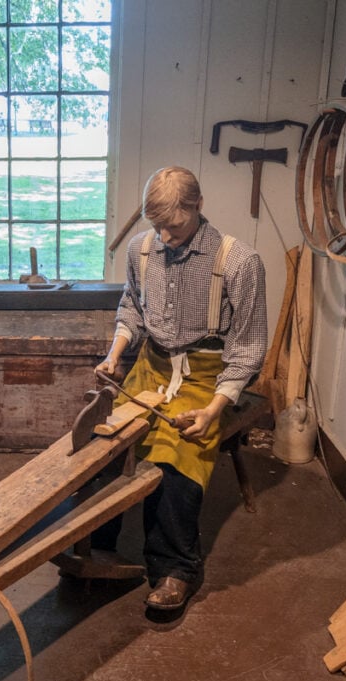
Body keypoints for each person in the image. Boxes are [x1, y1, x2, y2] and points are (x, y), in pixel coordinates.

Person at [94, 166, 268, 612]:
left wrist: (213, 410)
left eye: (175, 226)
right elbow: (131, 307)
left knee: (176, 456)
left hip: (209, 375)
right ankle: (97, 548)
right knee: (106, 442)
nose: (166, 237)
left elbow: (247, 349)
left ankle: (175, 570)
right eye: (158, 226)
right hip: (151, 366)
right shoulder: (142, 250)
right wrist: (115, 353)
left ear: (198, 207)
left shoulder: (238, 262)